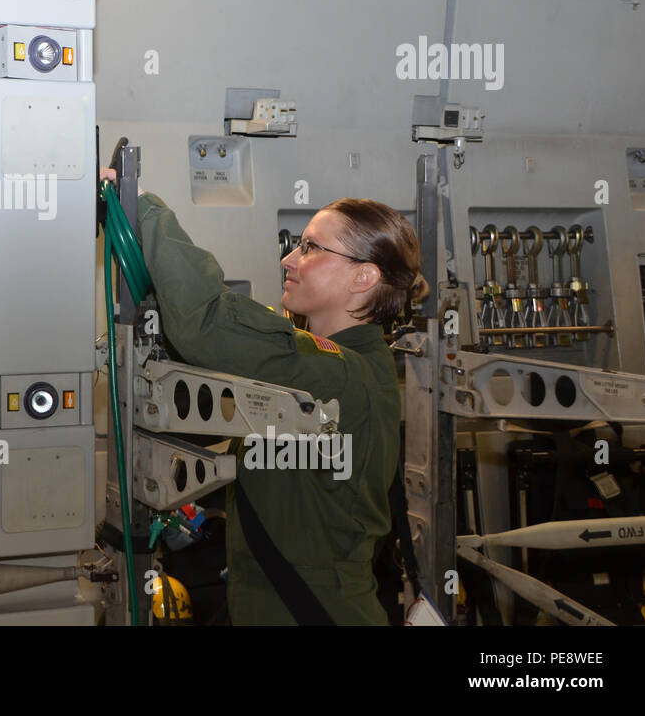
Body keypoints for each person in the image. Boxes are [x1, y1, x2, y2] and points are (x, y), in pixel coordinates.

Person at [107, 171, 427, 624]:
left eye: (312, 248)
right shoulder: (324, 368)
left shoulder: (340, 374)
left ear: (365, 276)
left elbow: (208, 320)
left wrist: (141, 206)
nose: (289, 259)